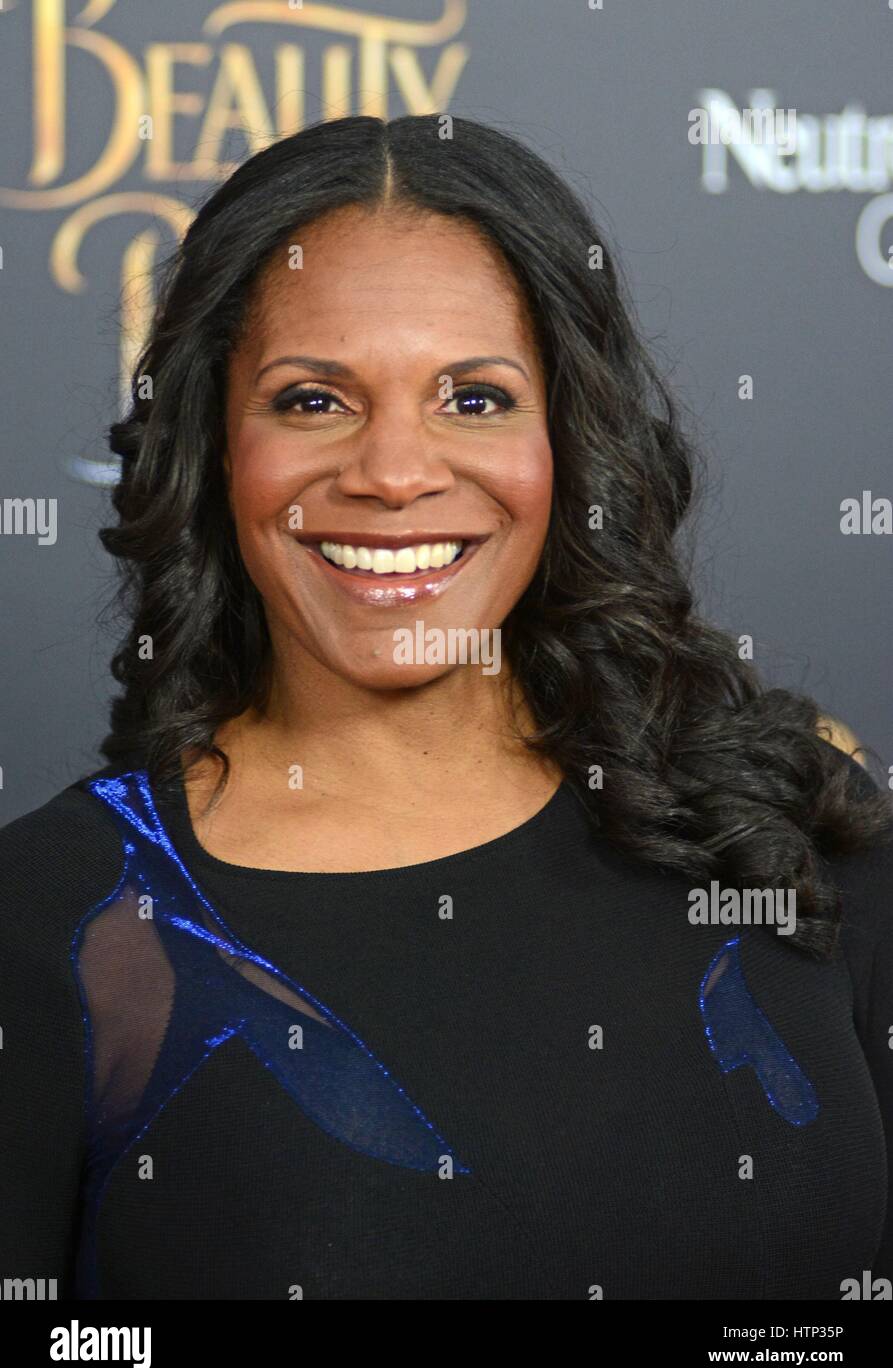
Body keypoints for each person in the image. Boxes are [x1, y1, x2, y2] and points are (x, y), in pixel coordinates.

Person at [1, 114, 891, 1301]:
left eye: (473, 399)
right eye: (313, 400)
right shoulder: (50, 922)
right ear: (215, 446)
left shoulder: (784, 823)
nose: (394, 472)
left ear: (568, 441)